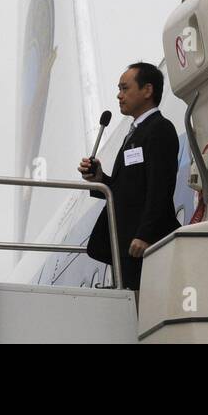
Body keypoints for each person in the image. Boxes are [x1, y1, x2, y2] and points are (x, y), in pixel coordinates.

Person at [79, 62, 180, 291]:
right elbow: (127, 189)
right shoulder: (135, 133)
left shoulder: (159, 129)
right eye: (119, 89)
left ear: (147, 91)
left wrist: (146, 234)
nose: (119, 95)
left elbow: (160, 187)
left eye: (125, 88)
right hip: (125, 242)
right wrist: (100, 179)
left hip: (141, 243)